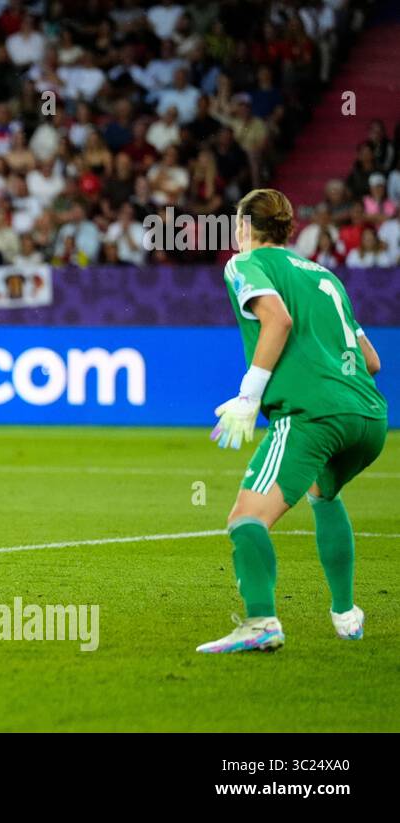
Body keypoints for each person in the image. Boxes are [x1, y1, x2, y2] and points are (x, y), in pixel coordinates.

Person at [199, 189, 387, 653]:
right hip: (369, 418)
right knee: (325, 495)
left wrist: (249, 396)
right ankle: (346, 614)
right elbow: (372, 360)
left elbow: (276, 321)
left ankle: (261, 622)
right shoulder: (324, 275)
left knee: (246, 519)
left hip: (312, 416)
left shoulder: (243, 264)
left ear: (244, 228)